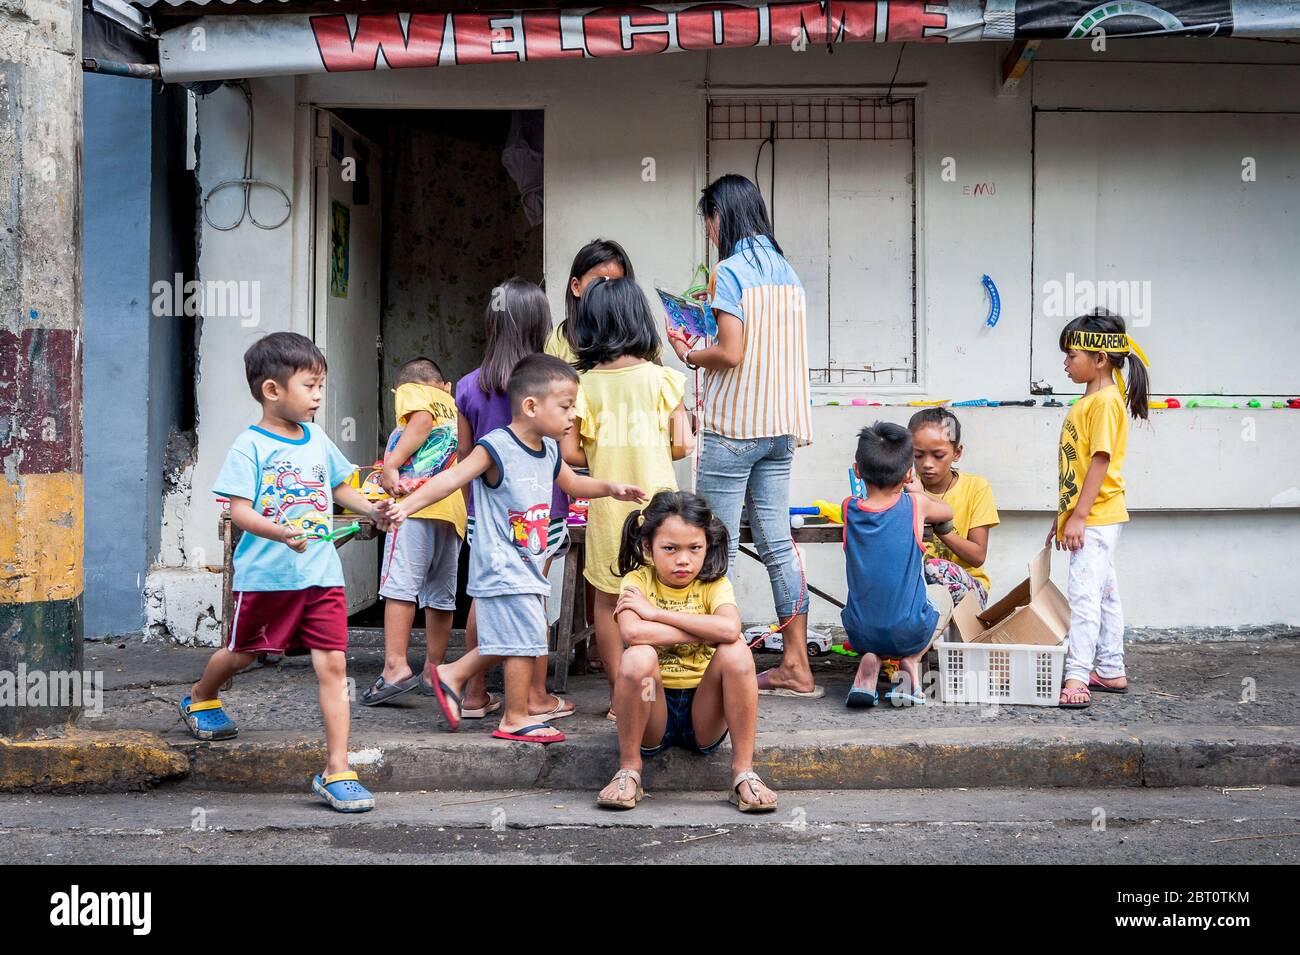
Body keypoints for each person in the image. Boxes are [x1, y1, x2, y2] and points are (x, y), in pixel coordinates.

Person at [386, 354, 646, 743]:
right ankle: (515, 716)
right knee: (527, 637)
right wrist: (405, 506)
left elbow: (573, 485)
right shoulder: (495, 446)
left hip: (528, 561)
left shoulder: (550, 449)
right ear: (530, 406)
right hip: (500, 562)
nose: (573, 416)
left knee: (512, 639)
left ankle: (452, 675)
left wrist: (611, 488)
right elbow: (451, 478)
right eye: (566, 406)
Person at [182, 332, 391, 813]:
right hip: (267, 579)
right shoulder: (249, 446)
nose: (319, 396)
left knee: (333, 665)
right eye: (310, 386)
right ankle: (200, 696)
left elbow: (342, 487)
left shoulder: (317, 438)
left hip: (321, 576)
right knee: (241, 657)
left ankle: (337, 768)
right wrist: (279, 532)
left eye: (321, 386)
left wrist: (374, 511)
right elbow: (238, 511)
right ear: (272, 390)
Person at [666, 174, 816, 698]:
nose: (708, 233)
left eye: (708, 220)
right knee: (778, 543)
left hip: (734, 428)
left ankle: (709, 669)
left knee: (713, 547)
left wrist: (687, 351)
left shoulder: (732, 271)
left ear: (721, 216)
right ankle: (797, 664)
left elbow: (729, 352)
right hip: (780, 427)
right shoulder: (787, 272)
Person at [597, 491, 777, 813]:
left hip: (704, 708)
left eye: (695, 548)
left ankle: (743, 773)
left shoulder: (714, 583)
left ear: (707, 546)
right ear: (647, 547)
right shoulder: (636, 581)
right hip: (653, 700)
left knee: (735, 652)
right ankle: (629, 769)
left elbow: (729, 630)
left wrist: (655, 614)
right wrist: (701, 630)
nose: (684, 559)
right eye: (670, 548)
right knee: (639, 656)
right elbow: (634, 632)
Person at [561, 277, 692, 718]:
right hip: (661, 510)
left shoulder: (583, 386)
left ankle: (621, 694)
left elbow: (570, 452)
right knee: (658, 595)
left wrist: (605, 452)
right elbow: (682, 445)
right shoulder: (663, 380)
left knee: (606, 597)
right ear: (641, 321)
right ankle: (659, 688)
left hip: (608, 506)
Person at [454, 278, 574, 721]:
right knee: (531, 598)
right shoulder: (547, 384)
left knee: (484, 599)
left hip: (481, 516)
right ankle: (536, 697)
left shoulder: (468, 386)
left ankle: (473, 694)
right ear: (539, 323)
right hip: (539, 514)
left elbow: (464, 456)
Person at [1048, 308, 1150, 709]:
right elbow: (1078, 468)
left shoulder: (1105, 402)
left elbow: (1100, 461)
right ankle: (1109, 668)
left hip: (1096, 517)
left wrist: (1078, 517)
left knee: (1084, 596)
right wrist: (1064, 517)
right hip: (1095, 516)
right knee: (1105, 594)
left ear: (1100, 359)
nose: (1066, 362)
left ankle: (1077, 677)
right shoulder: (1092, 400)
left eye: (1072, 355)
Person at [361, 356, 465, 707]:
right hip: (451, 509)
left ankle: (395, 667)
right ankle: (433, 669)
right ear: (445, 385)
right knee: (440, 593)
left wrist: (390, 463)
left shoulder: (411, 393)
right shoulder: (454, 403)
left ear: (399, 390)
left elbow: (419, 421)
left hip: (414, 508)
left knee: (400, 587)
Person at [841, 422, 955, 709]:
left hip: (859, 632)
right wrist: (917, 491)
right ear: (908, 474)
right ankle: (911, 662)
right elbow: (948, 512)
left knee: (869, 605)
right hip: (908, 631)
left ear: (857, 470)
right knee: (943, 592)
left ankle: (870, 661)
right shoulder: (916, 505)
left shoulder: (848, 508)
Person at [908, 407, 999, 609]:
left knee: (932, 569)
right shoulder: (902, 490)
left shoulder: (976, 488)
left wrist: (939, 523)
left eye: (938, 455)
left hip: (969, 592)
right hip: (918, 589)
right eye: (918, 455)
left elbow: (977, 557)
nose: (927, 464)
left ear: (957, 453)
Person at [545, 238, 636, 365]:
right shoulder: (559, 339)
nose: (608, 291)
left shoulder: (637, 335)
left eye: (616, 284)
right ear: (576, 287)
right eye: (599, 283)